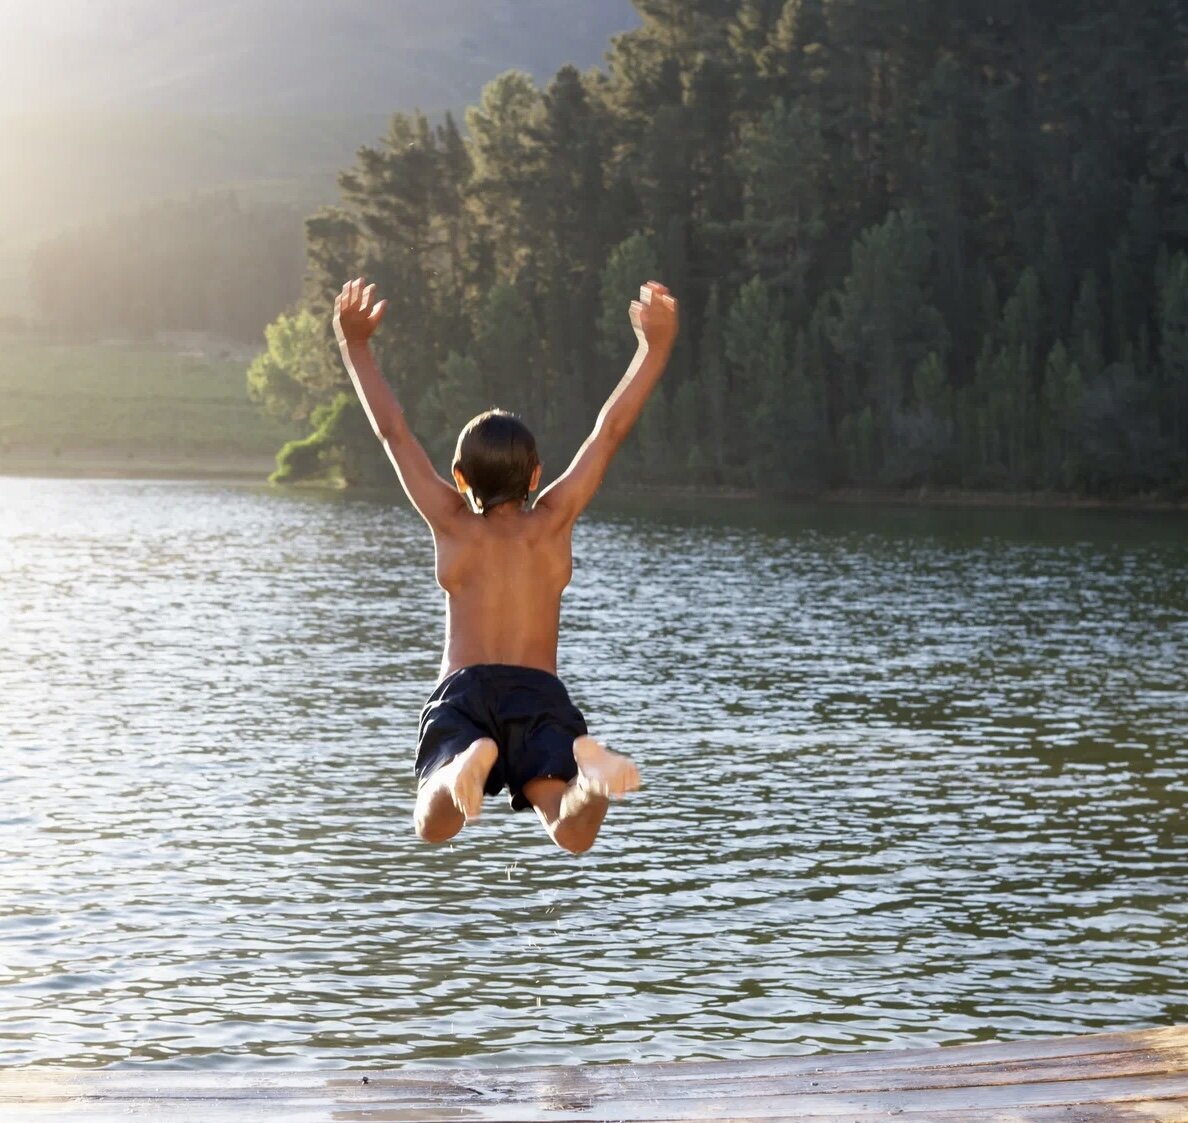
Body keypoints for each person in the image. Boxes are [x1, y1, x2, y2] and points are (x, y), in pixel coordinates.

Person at [333, 276, 678, 853]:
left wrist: (356, 345)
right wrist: (655, 347)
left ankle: (463, 763)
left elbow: (392, 432)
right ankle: (590, 781)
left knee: (434, 823)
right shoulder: (553, 522)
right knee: (570, 832)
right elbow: (609, 431)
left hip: (464, 693)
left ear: (461, 478)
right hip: (538, 694)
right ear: (537, 475)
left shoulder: (452, 521)